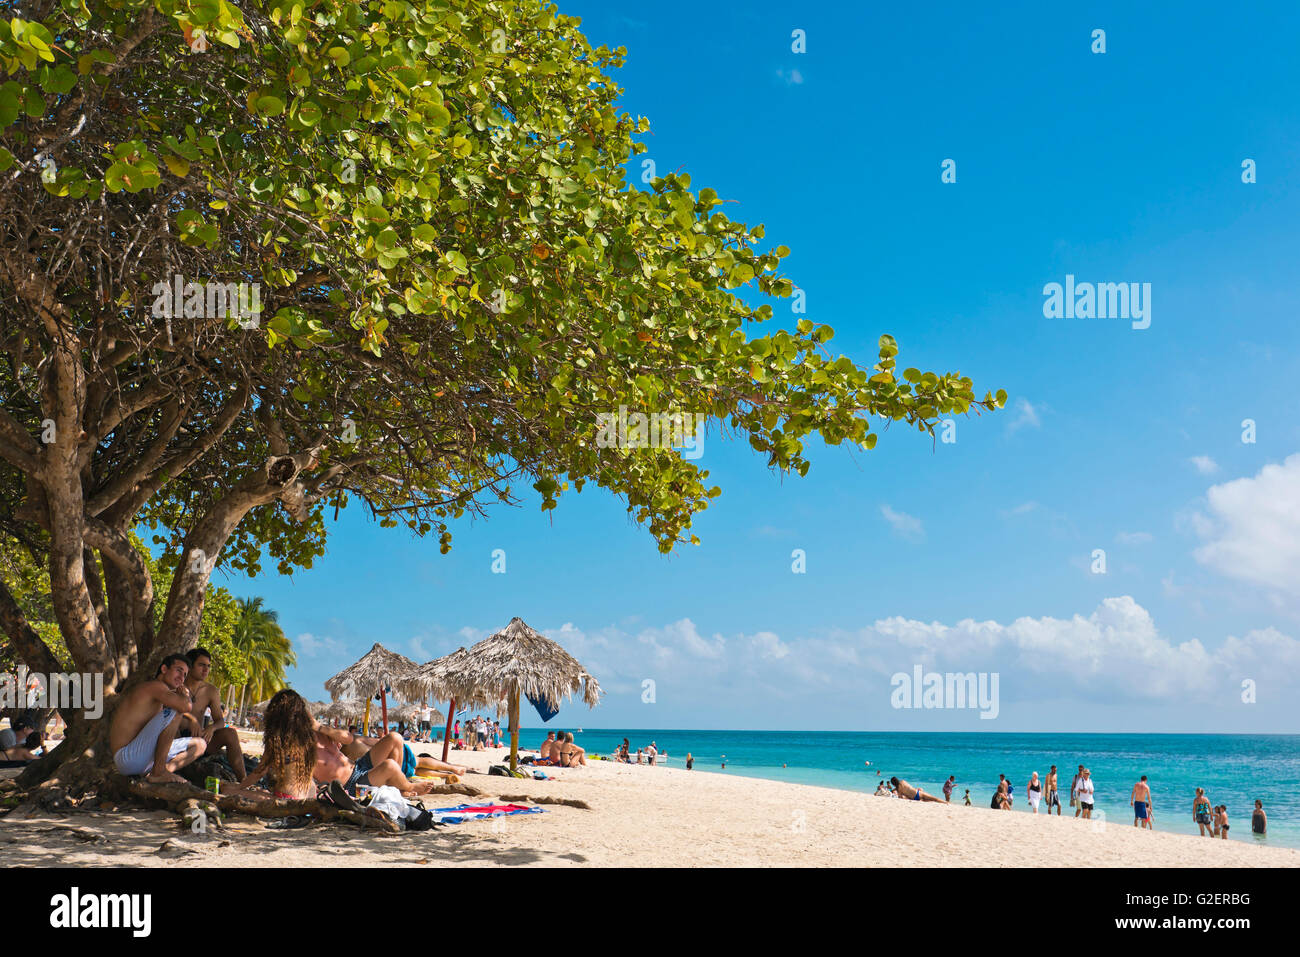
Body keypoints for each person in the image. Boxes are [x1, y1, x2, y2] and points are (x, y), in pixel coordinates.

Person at [109, 654, 206, 782]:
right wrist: (186, 695)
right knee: (176, 710)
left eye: (185, 675)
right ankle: (159, 772)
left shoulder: (162, 696)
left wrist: (192, 720)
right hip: (127, 757)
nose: (181, 678)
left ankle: (158, 773)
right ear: (164, 669)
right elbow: (184, 707)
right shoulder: (155, 687)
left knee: (200, 745)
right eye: (178, 671)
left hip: (142, 759)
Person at [232, 689, 317, 799]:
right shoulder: (308, 737)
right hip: (310, 797)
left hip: (288, 798)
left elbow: (259, 772)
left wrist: (239, 787)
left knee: (228, 791)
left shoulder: (277, 739)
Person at [184, 647, 247, 779]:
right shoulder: (178, 684)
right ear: (189, 665)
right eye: (201, 665)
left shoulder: (210, 691)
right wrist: (191, 719)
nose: (206, 670)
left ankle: (244, 781)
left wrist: (212, 728)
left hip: (199, 739)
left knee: (231, 733)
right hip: (174, 738)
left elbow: (220, 720)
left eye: (208, 666)